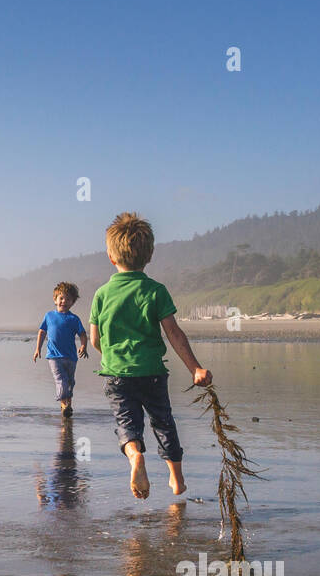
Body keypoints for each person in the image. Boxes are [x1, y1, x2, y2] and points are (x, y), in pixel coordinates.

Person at [88, 212, 212, 500]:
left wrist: (112, 357)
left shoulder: (102, 294)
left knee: (127, 425)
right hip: (152, 373)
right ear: (150, 254)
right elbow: (174, 333)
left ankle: (135, 457)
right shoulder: (156, 291)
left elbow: (95, 339)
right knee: (164, 423)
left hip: (117, 374)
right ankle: (176, 479)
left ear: (110, 256)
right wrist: (195, 368)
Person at [32, 281, 88, 416]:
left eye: (68, 299)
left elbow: (82, 334)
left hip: (71, 357)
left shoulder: (74, 318)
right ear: (55, 299)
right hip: (54, 356)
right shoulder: (49, 316)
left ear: (73, 302)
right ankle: (64, 406)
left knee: (69, 382)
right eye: (61, 298)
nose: (64, 301)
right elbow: (42, 332)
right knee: (60, 380)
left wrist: (83, 346)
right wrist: (38, 348)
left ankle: (68, 405)